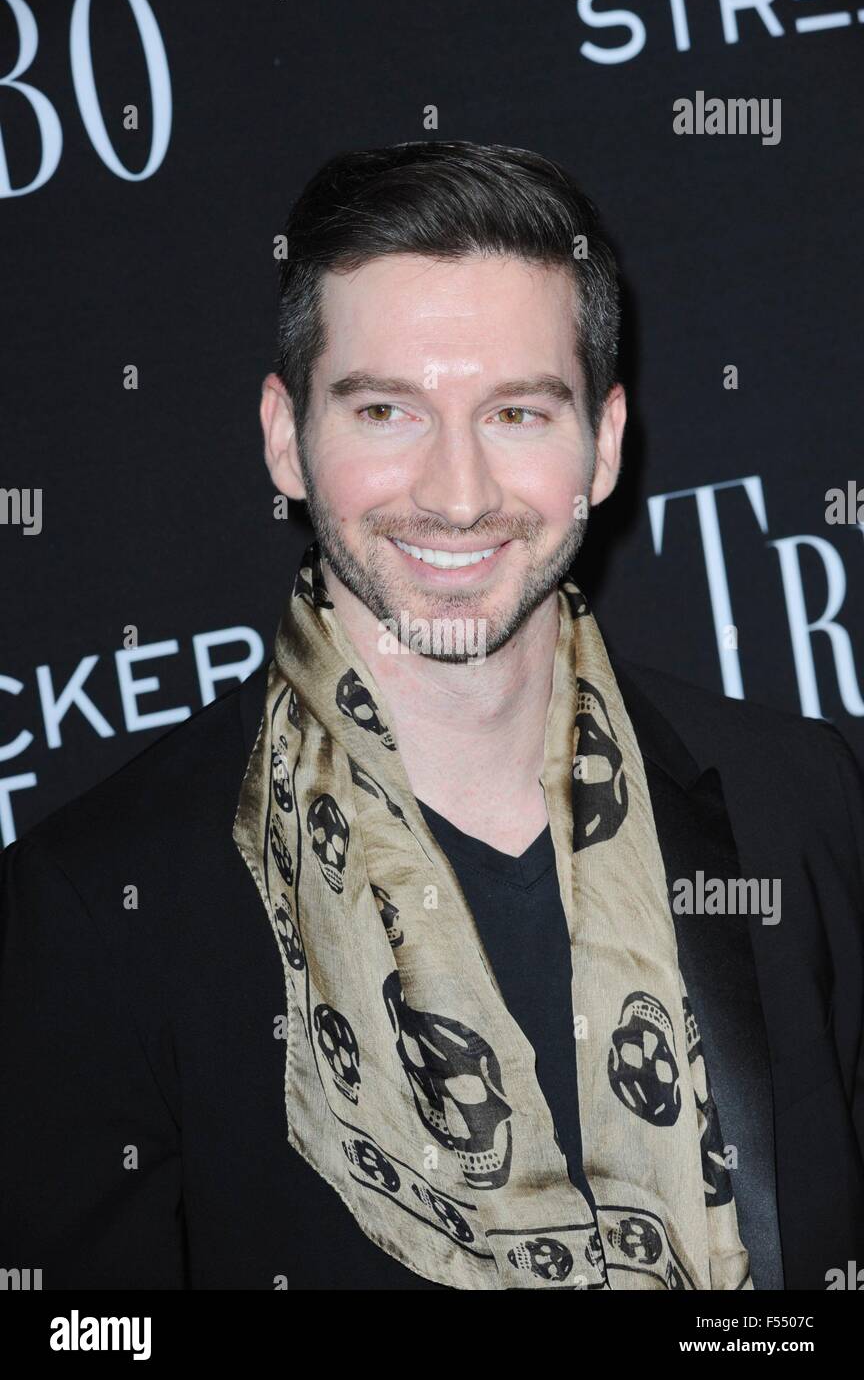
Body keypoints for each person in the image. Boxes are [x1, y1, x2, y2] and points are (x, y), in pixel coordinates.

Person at [1, 140, 862, 1292]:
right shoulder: (104, 902)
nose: (457, 494)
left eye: (515, 412)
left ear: (601, 444)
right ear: (283, 436)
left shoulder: (799, 800)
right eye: (387, 412)